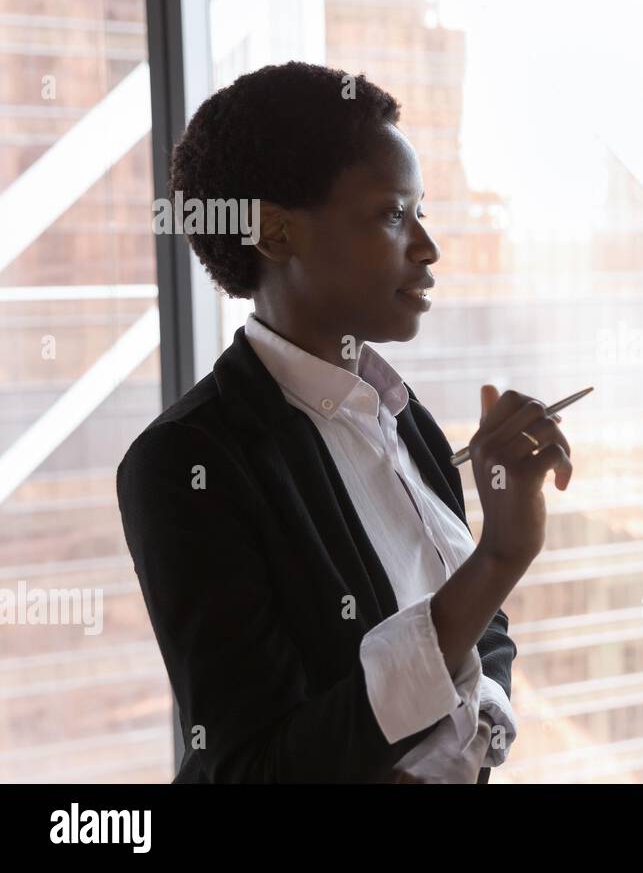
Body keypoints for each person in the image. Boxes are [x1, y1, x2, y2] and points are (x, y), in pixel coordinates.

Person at [116, 61, 573, 782]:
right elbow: (252, 768)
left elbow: (482, 631)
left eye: (421, 211)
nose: (427, 247)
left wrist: (465, 742)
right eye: (393, 214)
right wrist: (500, 555)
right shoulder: (184, 464)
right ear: (273, 233)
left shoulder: (404, 417)